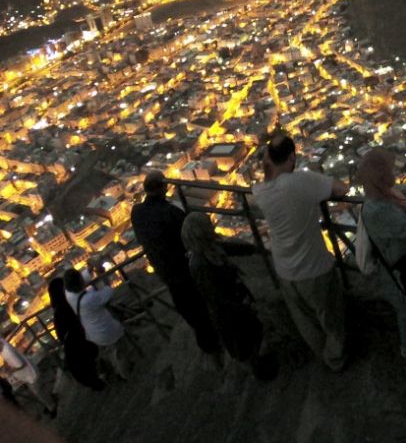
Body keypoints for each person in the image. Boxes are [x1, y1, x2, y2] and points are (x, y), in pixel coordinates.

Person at [251, 133, 349, 371]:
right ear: (292, 156)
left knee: (307, 323)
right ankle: (336, 361)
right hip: (314, 268)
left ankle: (322, 358)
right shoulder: (302, 182)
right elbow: (342, 188)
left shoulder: (260, 191)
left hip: (284, 270)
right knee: (331, 319)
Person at [130, 170, 221, 355]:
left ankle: (207, 344)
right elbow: (190, 234)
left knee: (186, 305)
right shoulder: (171, 212)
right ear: (164, 187)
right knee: (201, 301)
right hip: (183, 265)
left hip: (162, 268)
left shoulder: (137, 212)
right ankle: (214, 338)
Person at [181, 213, 277, 380]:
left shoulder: (209, 249)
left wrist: (256, 249)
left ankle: (264, 365)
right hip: (230, 313)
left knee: (256, 337)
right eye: (207, 225)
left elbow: (231, 248)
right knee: (248, 346)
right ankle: (262, 371)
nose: (211, 227)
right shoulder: (200, 265)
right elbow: (217, 298)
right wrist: (246, 307)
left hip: (238, 301)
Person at [356, 148, 406, 364]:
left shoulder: (378, 197)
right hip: (400, 269)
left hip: (390, 268)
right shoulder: (379, 209)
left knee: (403, 311)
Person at [62, 269, 128, 380]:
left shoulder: (68, 294)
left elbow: (80, 280)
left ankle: (111, 371)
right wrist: (103, 277)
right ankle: (124, 373)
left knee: (109, 351)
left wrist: (89, 269)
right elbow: (108, 291)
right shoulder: (90, 299)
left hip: (92, 333)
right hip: (107, 330)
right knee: (119, 350)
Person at [47, 278, 103, 391]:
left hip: (74, 349)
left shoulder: (58, 310)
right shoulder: (68, 304)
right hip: (83, 341)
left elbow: (61, 335)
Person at [1, 339, 56, 416]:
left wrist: (10, 371)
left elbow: (20, 365)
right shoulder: (3, 345)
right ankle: (50, 401)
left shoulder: (8, 353)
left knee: (38, 393)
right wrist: (6, 364)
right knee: (40, 390)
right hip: (29, 372)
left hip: (29, 375)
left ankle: (52, 407)